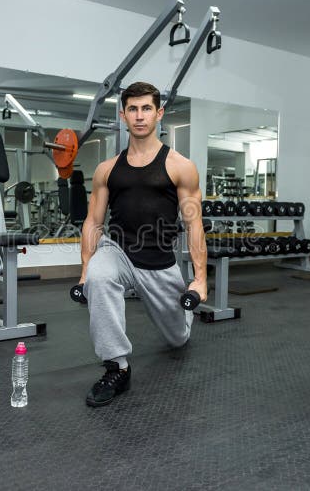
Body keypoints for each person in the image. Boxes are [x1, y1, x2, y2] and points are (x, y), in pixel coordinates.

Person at [79, 81, 208, 407]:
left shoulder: (180, 166)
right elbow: (93, 223)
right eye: (133, 109)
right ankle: (117, 367)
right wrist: (85, 272)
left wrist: (200, 278)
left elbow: (194, 223)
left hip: (160, 263)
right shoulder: (107, 170)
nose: (139, 116)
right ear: (123, 115)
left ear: (159, 113)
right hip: (118, 251)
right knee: (99, 275)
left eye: (146, 108)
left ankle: (183, 320)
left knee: (178, 340)